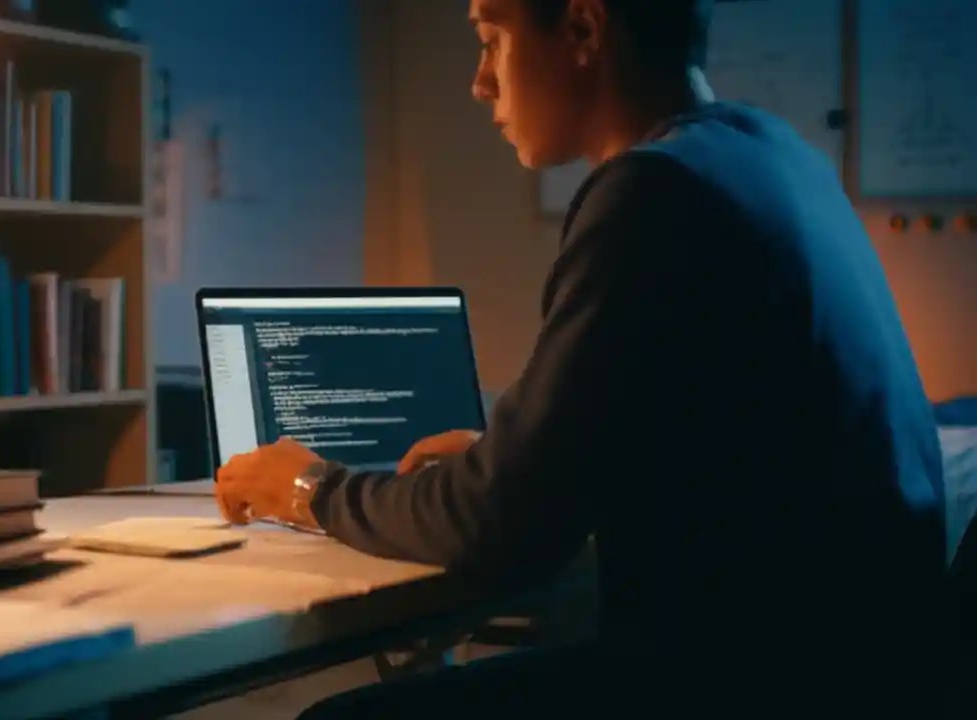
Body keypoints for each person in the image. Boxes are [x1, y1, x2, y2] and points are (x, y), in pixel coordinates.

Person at [216, 0, 951, 715]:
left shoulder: (651, 192)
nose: (480, 81)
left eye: (491, 38)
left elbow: (499, 527)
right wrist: (516, 460)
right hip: (866, 669)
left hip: (753, 683)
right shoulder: (776, 157)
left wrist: (312, 488)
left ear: (581, 27)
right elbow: (727, 448)